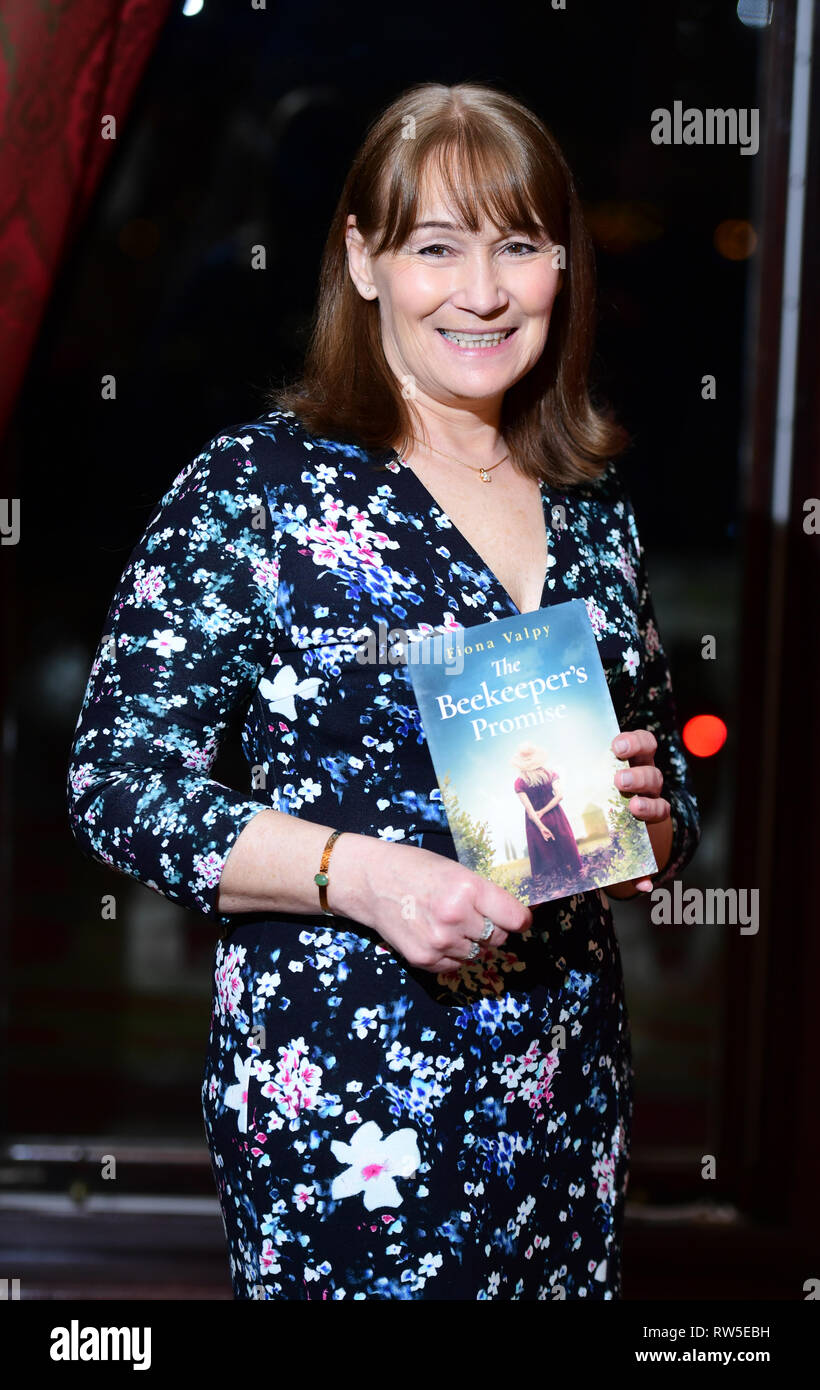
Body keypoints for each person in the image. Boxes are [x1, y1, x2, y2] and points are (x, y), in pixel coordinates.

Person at [66, 80, 700, 1301]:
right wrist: (360, 874)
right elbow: (119, 784)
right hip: (349, 1112)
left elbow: (655, 774)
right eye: (435, 247)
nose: (482, 290)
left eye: (518, 245)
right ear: (362, 261)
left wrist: (655, 822)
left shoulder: (590, 505)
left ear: (561, 265)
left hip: (566, 1089)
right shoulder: (257, 491)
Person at [511, 743, 585, 893]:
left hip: (535, 822)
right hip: (556, 815)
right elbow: (559, 796)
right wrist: (545, 811)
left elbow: (531, 811)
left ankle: (555, 887)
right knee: (565, 844)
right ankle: (577, 877)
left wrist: (541, 827)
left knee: (546, 853)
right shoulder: (551, 773)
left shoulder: (519, 783)